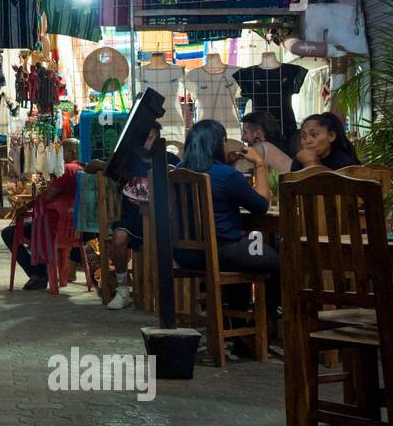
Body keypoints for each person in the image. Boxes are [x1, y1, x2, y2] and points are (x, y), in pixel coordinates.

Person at [176, 119, 280, 341]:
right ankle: (264, 325)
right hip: (222, 251)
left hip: (185, 255)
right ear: (217, 144)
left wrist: (228, 165)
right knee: (274, 257)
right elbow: (261, 205)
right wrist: (260, 165)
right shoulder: (226, 175)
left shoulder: (177, 172)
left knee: (246, 253)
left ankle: (238, 330)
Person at [106, 122, 178, 311]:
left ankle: (169, 292)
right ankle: (122, 289)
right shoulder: (127, 161)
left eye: (153, 137)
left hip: (163, 218)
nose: (148, 141)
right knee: (119, 238)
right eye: (145, 136)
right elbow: (108, 173)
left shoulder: (168, 159)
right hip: (132, 218)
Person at [0, 139, 82, 291]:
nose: (60, 156)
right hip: (74, 228)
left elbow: (47, 196)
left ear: (72, 152)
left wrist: (25, 207)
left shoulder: (66, 170)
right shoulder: (82, 169)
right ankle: (41, 273)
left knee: (8, 233)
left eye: (62, 152)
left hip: (54, 228)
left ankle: (38, 274)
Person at [291, 112, 360, 171]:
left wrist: (311, 163)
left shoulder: (346, 164)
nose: (308, 141)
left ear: (331, 136)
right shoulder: (299, 160)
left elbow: (321, 186)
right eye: (303, 137)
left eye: (314, 135)